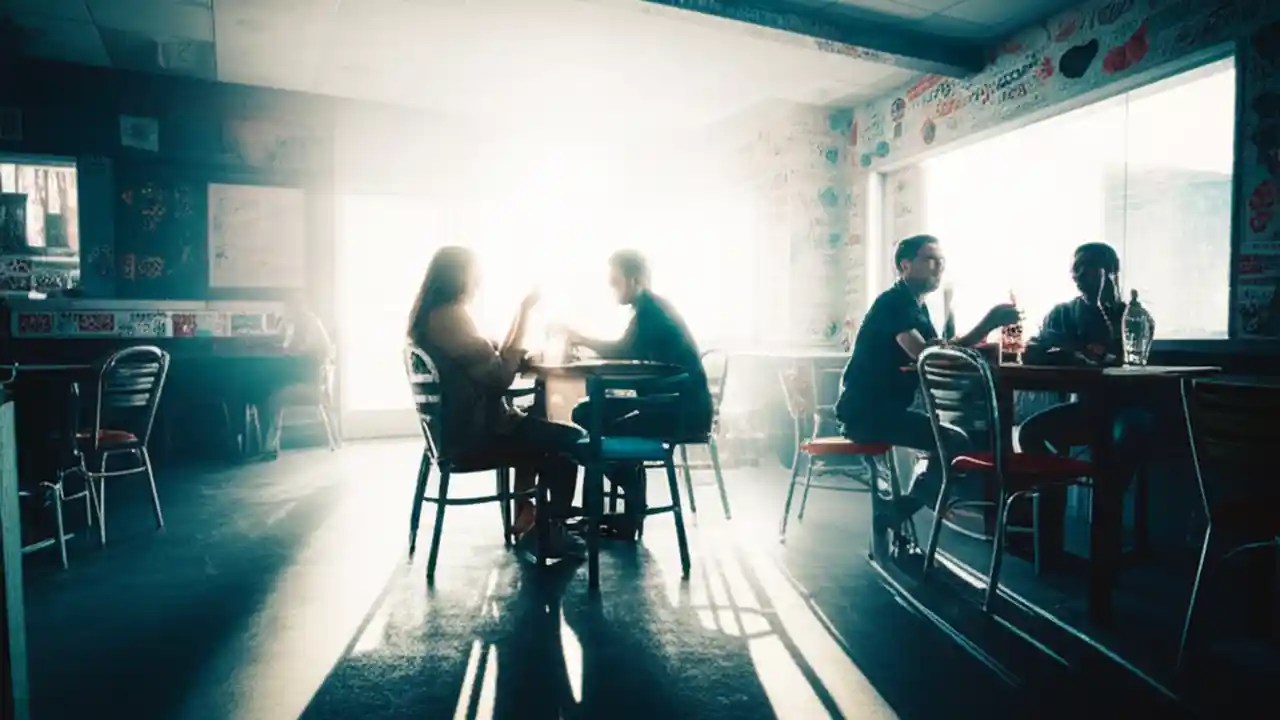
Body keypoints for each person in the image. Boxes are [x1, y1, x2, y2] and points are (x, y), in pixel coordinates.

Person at [407, 246, 585, 558]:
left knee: (540, 429)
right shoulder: (451, 318)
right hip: (474, 436)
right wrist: (524, 321)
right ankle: (546, 531)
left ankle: (529, 521)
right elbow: (500, 376)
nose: (478, 282)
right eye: (475, 275)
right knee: (568, 440)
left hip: (454, 431)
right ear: (460, 276)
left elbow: (494, 360)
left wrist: (522, 312)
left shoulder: (434, 316)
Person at [835, 234, 1020, 513]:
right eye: (930, 259)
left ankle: (912, 507)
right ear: (904, 265)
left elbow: (937, 350)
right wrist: (986, 324)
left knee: (961, 438)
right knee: (956, 440)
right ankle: (902, 510)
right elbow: (922, 354)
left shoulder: (915, 305)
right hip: (866, 413)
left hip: (883, 410)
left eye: (942, 261)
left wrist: (982, 334)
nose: (939, 267)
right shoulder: (893, 303)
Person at [562, 249, 711, 536]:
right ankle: (626, 511)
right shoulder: (651, 309)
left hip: (679, 411)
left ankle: (630, 510)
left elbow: (623, 350)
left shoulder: (651, 314)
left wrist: (580, 338)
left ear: (636, 279)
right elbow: (627, 351)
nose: (612, 288)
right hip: (671, 403)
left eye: (615, 281)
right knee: (586, 413)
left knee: (591, 423)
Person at [1019, 242, 1154, 479]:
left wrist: (1099, 347)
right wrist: (1071, 353)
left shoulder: (1132, 317)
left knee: (1135, 428)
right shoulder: (1062, 313)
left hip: (1125, 407)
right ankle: (1052, 503)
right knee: (1030, 433)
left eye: (1088, 266)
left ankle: (1108, 504)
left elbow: (1133, 361)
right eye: (1075, 268)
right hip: (1087, 408)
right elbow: (1032, 351)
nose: (1078, 274)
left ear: (1110, 271)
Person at [259, 302, 338, 459]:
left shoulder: (308, 325)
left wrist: (288, 350)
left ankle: (269, 445)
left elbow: (302, 351)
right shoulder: (299, 323)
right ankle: (268, 444)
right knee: (272, 390)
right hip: (307, 378)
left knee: (272, 395)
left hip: (308, 381)